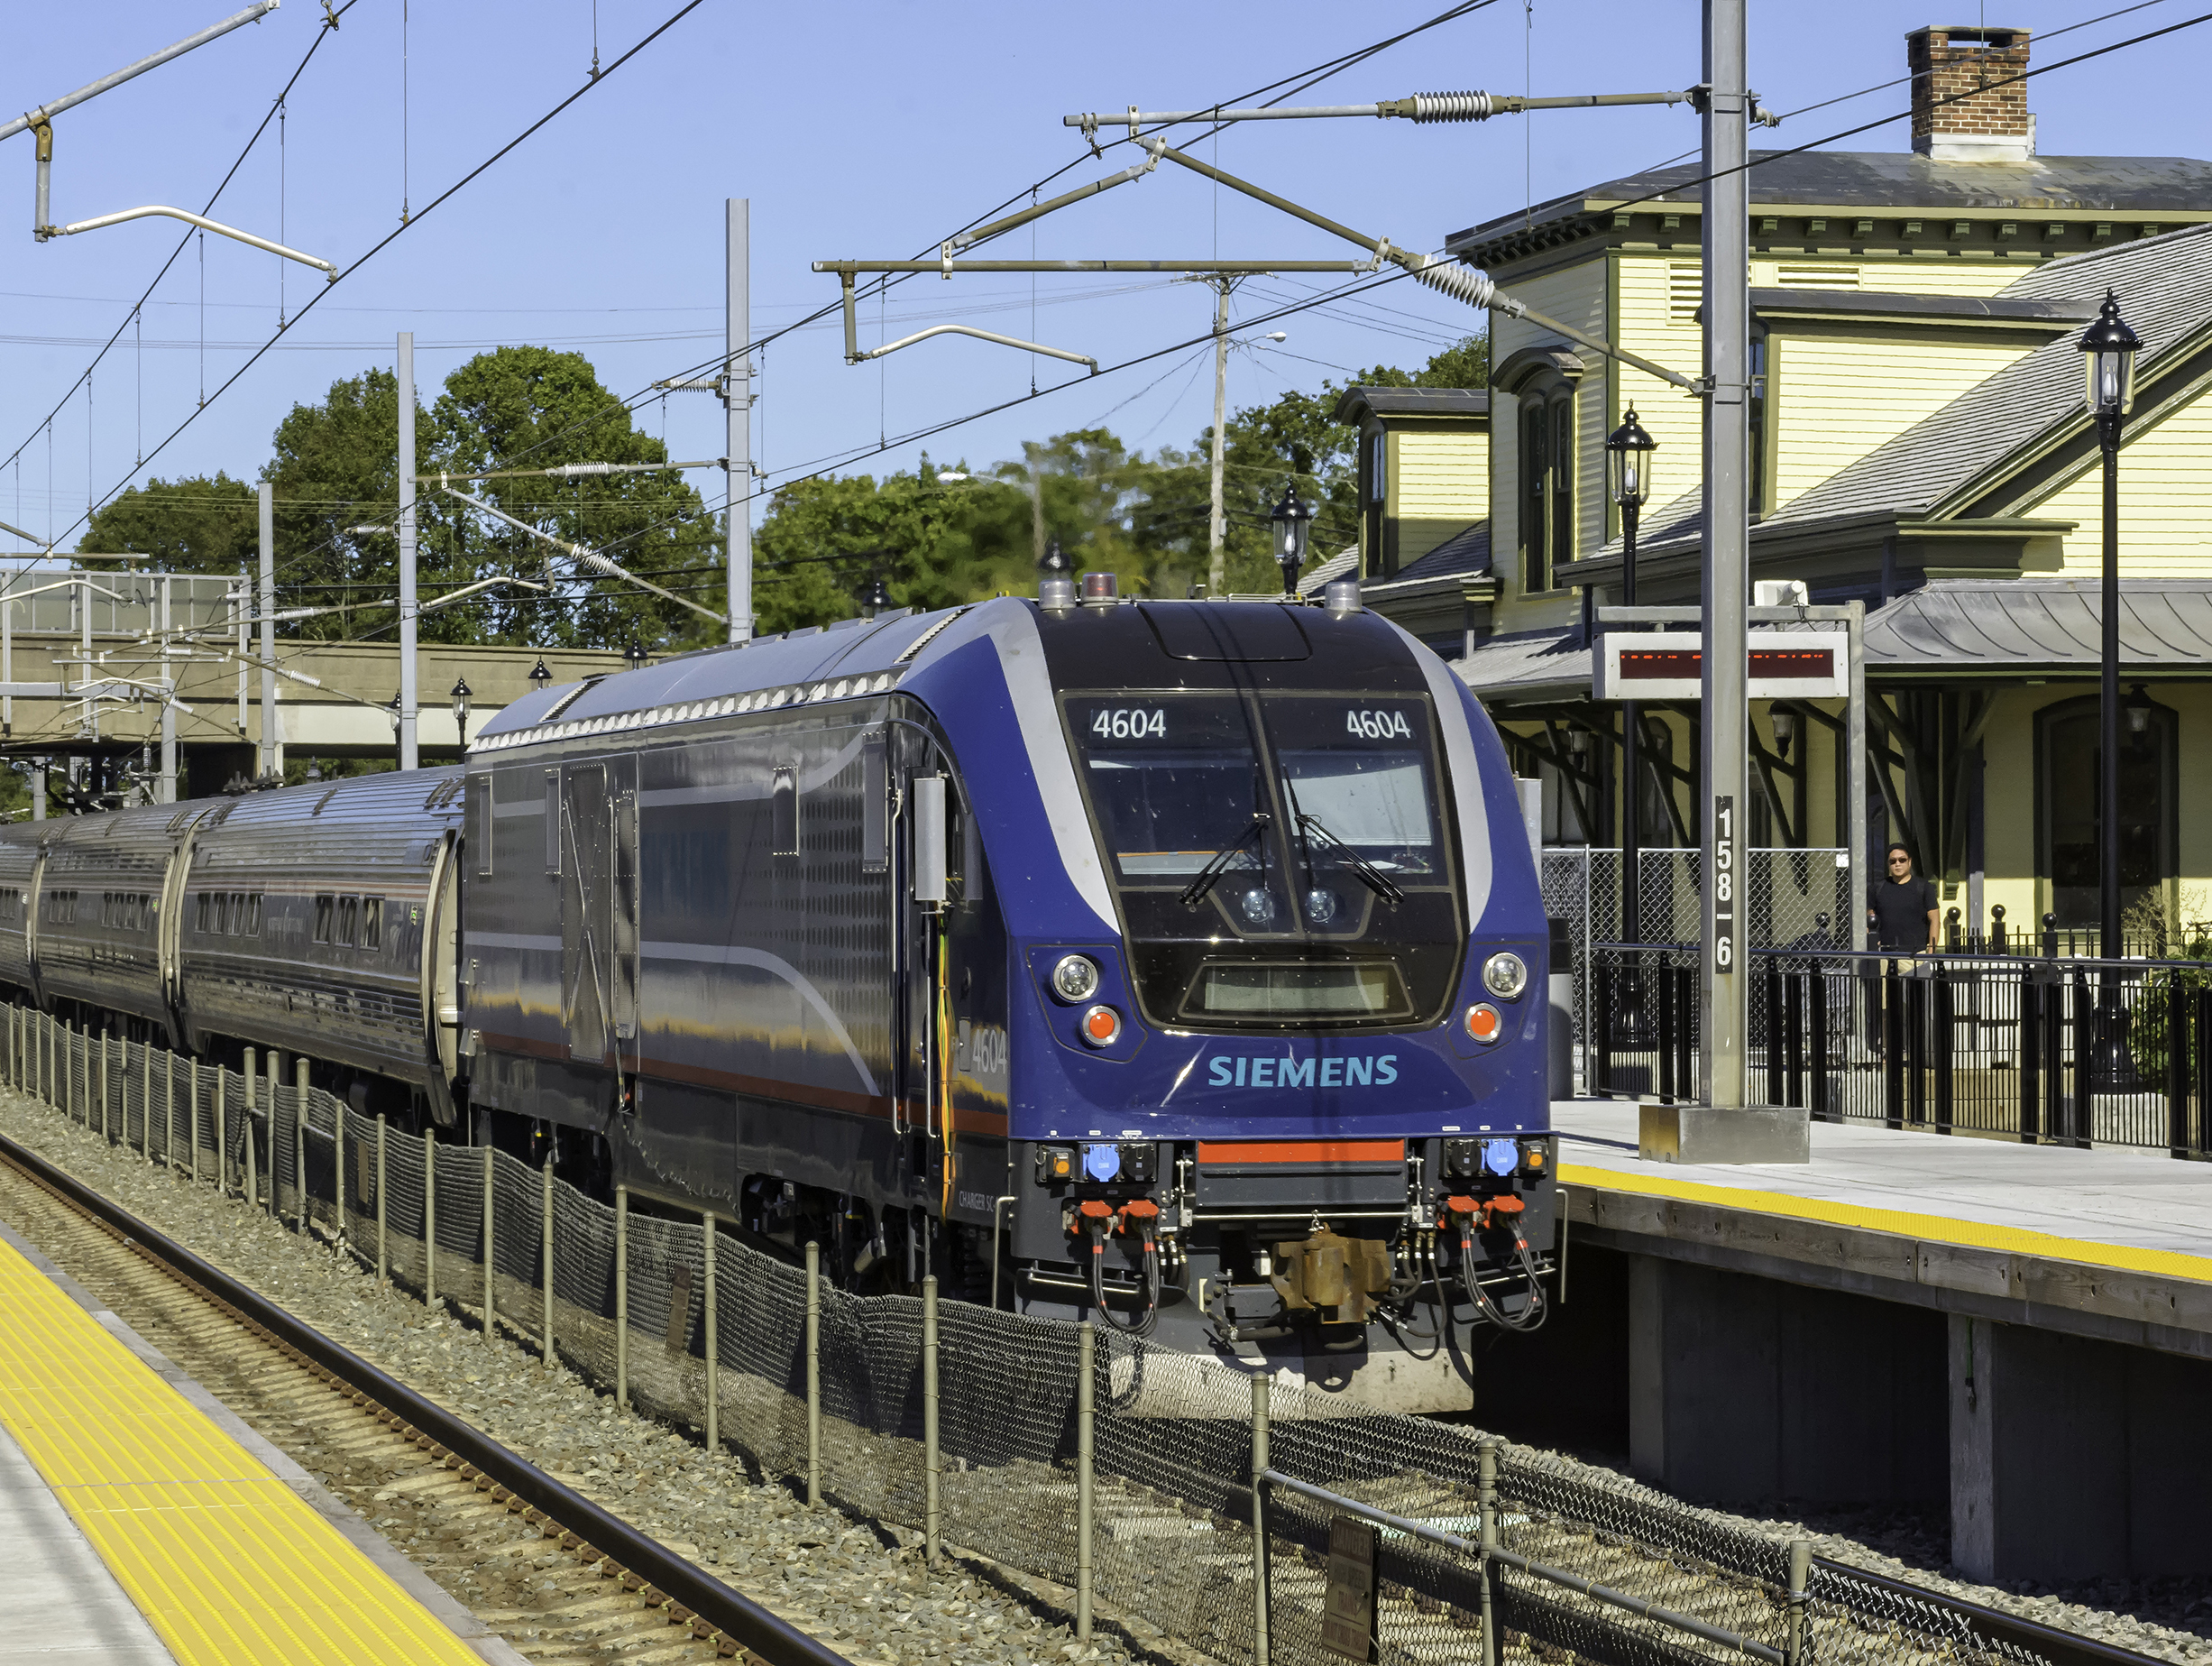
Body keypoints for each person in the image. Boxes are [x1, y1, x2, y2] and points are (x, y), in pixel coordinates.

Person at [1868, 843, 1939, 953]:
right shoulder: (1878, 888)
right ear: (1888, 863)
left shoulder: (1924, 887)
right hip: (1884, 954)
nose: (1897, 864)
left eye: (1902, 860)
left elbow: (1934, 920)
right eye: (1893, 861)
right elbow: (1869, 918)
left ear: (1909, 862)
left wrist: (1931, 951)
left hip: (1914, 956)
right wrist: (1872, 944)